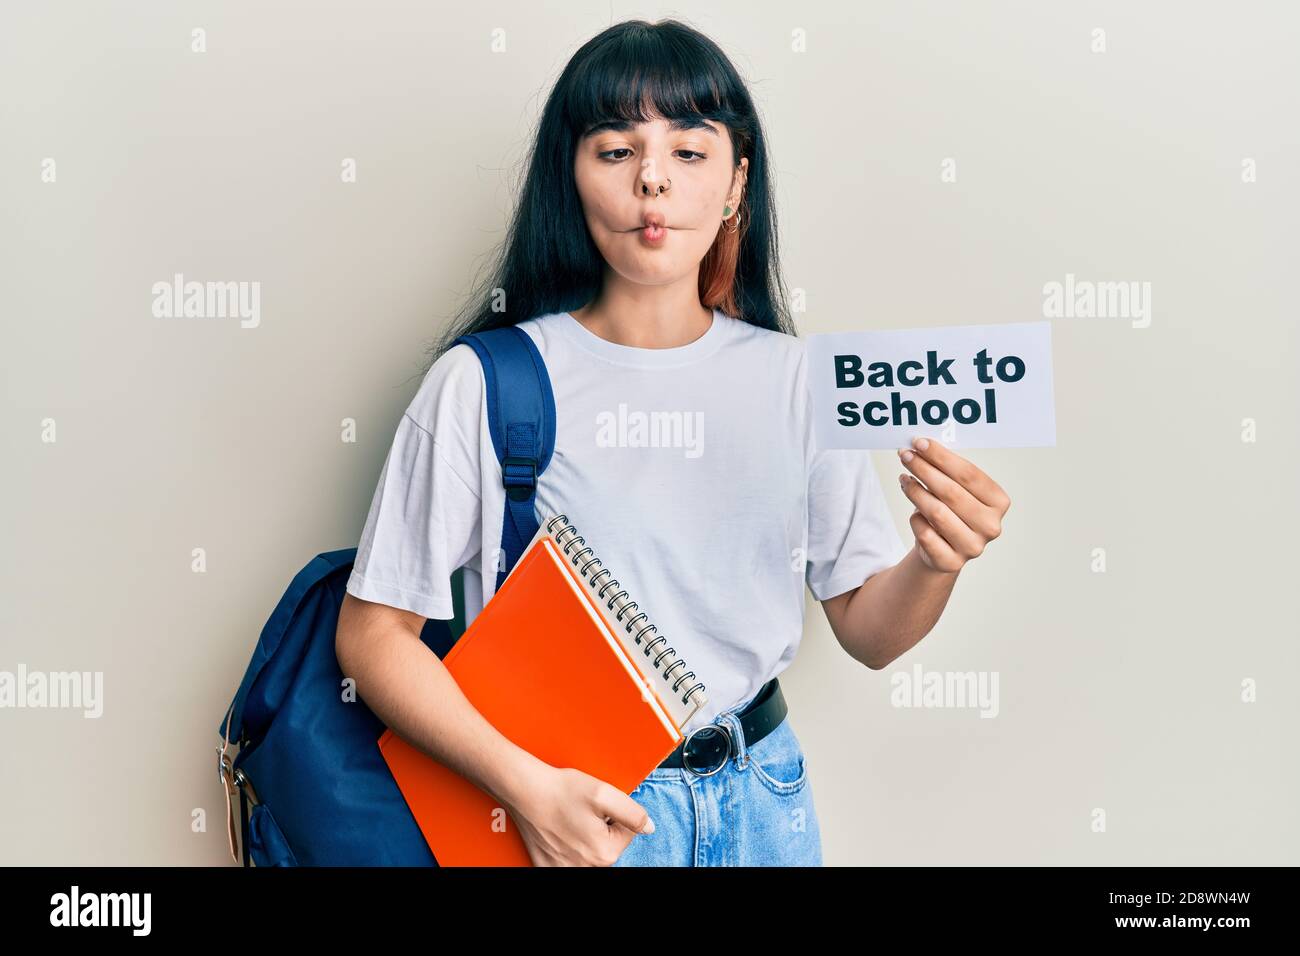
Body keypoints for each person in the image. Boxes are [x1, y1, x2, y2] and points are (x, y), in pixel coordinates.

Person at [334, 18, 1010, 867]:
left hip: (766, 799)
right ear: (570, 179)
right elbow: (372, 638)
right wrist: (529, 791)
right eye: (615, 151)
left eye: (689, 152)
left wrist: (937, 559)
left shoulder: (800, 382)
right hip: (579, 806)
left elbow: (868, 632)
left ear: (736, 185)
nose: (652, 179)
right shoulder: (484, 383)